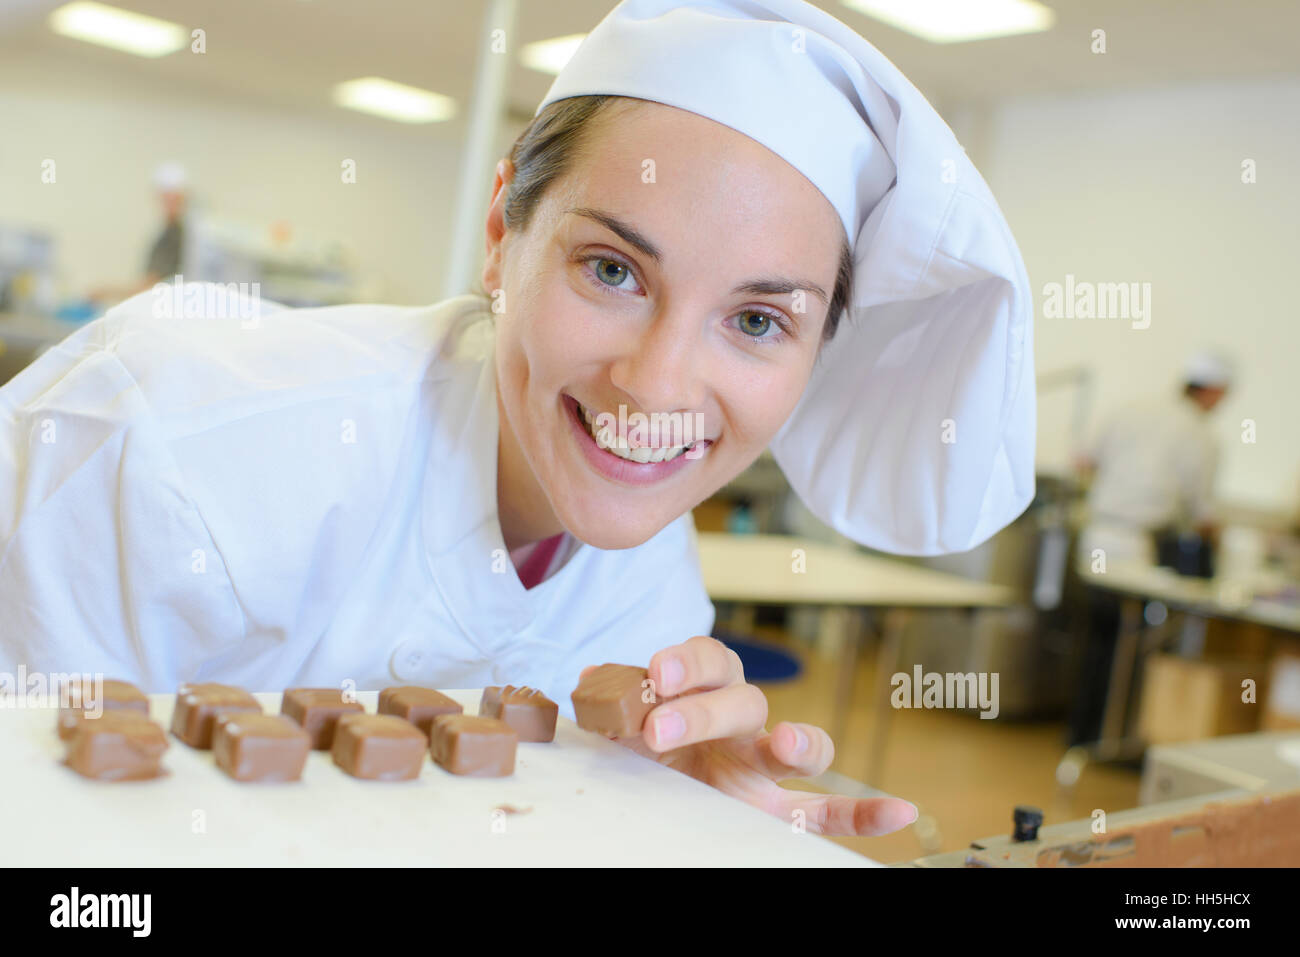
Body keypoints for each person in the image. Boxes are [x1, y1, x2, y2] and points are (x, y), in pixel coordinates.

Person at [0, 0, 1035, 838]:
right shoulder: (165, 446)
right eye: (612, 269)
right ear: (502, 234)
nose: (658, 384)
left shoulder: (650, 581)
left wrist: (642, 819)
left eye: (758, 319)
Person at [1068, 350, 1232, 745]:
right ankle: (1112, 739)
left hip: (1097, 535)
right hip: (1136, 545)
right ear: (1211, 392)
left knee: (1099, 637)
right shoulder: (1200, 434)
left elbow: (1084, 462)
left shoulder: (1132, 409)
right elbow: (1203, 512)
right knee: (1131, 645)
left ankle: (1082, 733)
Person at [88, 162, 189, 304]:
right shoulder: (167, 233)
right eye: (166, 198)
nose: (169, 204)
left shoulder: (178, 236)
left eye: (174, 198)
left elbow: (150, 286)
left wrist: (107, 291)